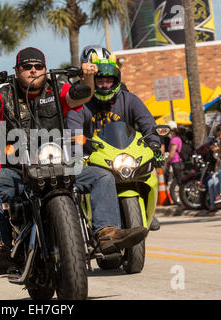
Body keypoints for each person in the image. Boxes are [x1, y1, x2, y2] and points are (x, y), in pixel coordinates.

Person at [0, 47, 148, 269]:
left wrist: (89, 76)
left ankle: (106, 232)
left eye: (38, 66)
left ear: (45, 69)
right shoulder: (5, 93)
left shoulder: (58, 88)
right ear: (17, 69)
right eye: (27, 67)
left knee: (103, 177)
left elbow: (84, 95)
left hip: (61, 165)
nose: (33, 71)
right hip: (18, 171)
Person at [66, 45, 164, 230]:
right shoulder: (80, 104)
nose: (103, 85)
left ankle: (148, 212)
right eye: (99, 81)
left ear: (116, 79)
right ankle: (76, 221)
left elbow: (147, 124)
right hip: (92, 159)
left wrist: (155, 146)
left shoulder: (129, 99)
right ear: (89, 79)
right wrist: (75, 154)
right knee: (72, 191)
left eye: (108, 81)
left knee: (148, 173)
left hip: (125, 156)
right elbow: (72, 130)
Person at [164, 121, 184, 193]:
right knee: (178, 180)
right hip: (178, 162)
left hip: (176, 162)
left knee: (179, 181)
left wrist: (166, 163)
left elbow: (171, 154)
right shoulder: (177, 139)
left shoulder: (174, 140)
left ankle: (182, 196)